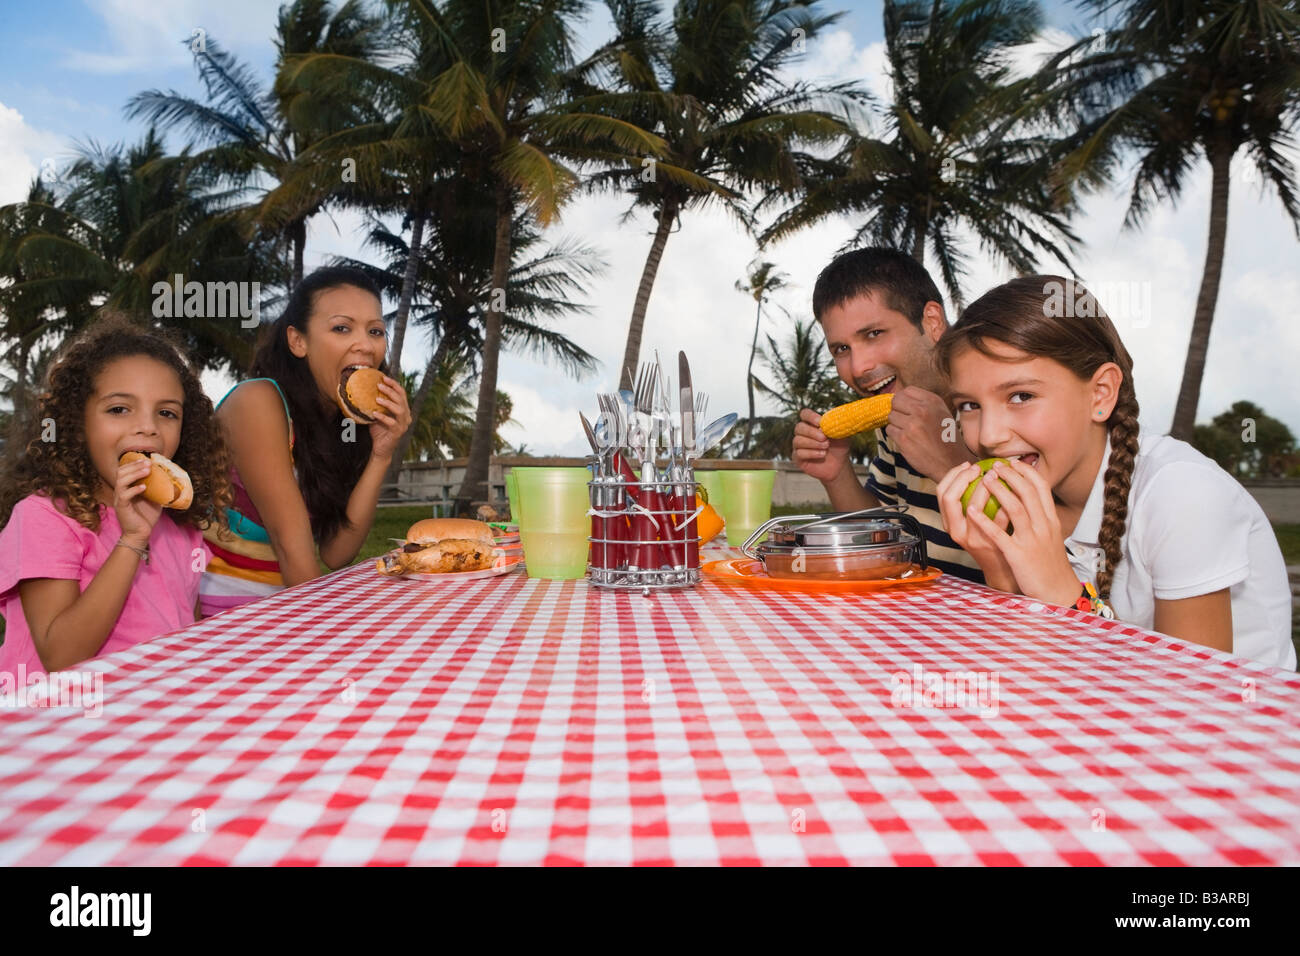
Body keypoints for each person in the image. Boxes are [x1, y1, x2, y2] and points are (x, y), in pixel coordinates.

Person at [934, 276, 1293, 668]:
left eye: (1021, 396)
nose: (989, 436)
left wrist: (1062, 593)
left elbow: (1193, 690)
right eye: (969, 405)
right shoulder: (1030, 499)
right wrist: (1000, 571)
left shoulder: (1183, 494)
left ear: (1101, 393)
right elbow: (1037, 665)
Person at [0, 315, 232, 673]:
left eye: (167, 413)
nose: (148, 427)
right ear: (78, 423)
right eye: (119, 409)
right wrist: (132, 540)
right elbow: (60, 656)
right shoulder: (43, 518)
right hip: (60, 716)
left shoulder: (179, 527)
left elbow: (186, 630)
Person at [199, 266, 412, 615]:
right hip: (222, 620)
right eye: (342, 328)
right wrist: (336, 636)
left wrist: (381, 454)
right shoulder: (259, 401)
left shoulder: (340, 422)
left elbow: (336, 553)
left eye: (375, 331)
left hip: (287, 609)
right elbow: (291, 550)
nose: (365, 344)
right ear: (298, 341)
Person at [792, 248, 984, 582]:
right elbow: (880, 536)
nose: (858, 367)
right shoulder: (894, 412)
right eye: (841, 349)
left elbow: (1045, 539)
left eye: (874, 334)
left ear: (932, 322)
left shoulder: (997, 403)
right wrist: (837, 476)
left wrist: (950, 463)